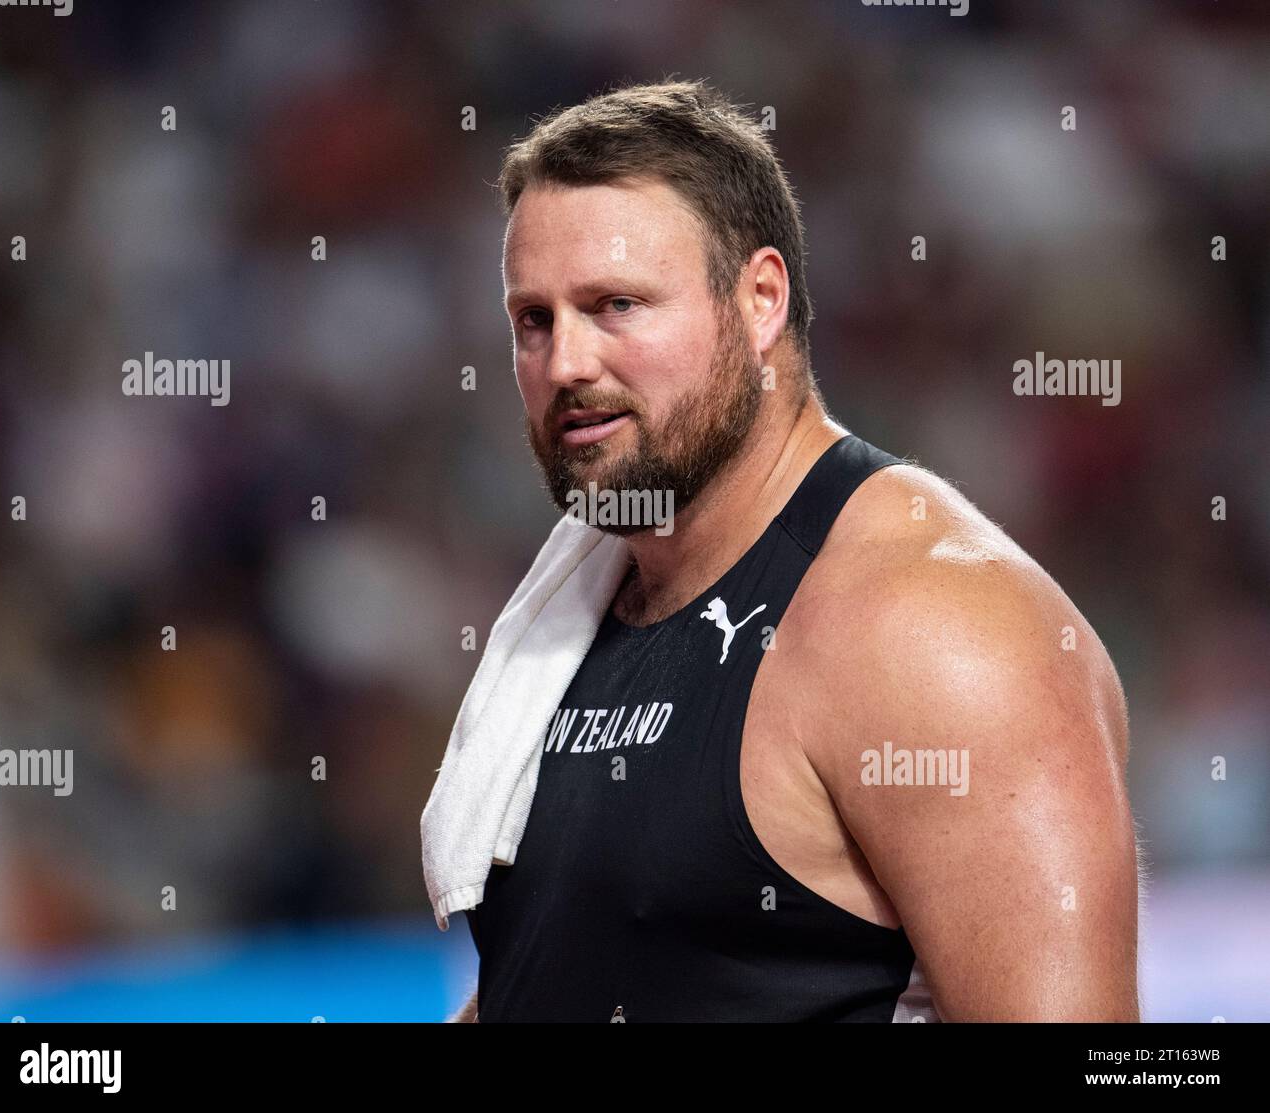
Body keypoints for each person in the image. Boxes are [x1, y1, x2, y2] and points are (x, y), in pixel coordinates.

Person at [449, 79, 1138, 1022]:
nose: (566, 364)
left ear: (761, 300)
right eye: (535, 319)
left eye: (616, 305)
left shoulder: (934, 626)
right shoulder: (566, 627)